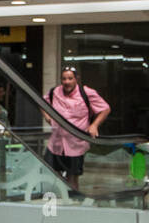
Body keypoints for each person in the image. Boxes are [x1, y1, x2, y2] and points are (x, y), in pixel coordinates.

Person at [45, 66, 110, 195]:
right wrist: (47, 117)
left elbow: (105, 108)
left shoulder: (87, 93)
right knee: (50, 170)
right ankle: (61, 196)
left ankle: (73, 200)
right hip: (56, 143)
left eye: (70, 78)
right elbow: (42, 102)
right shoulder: (55, 92)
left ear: (76, 79)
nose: (66, 82)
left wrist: (94, 125)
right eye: (64, 79)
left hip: (76, 144)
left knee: (73, 176)